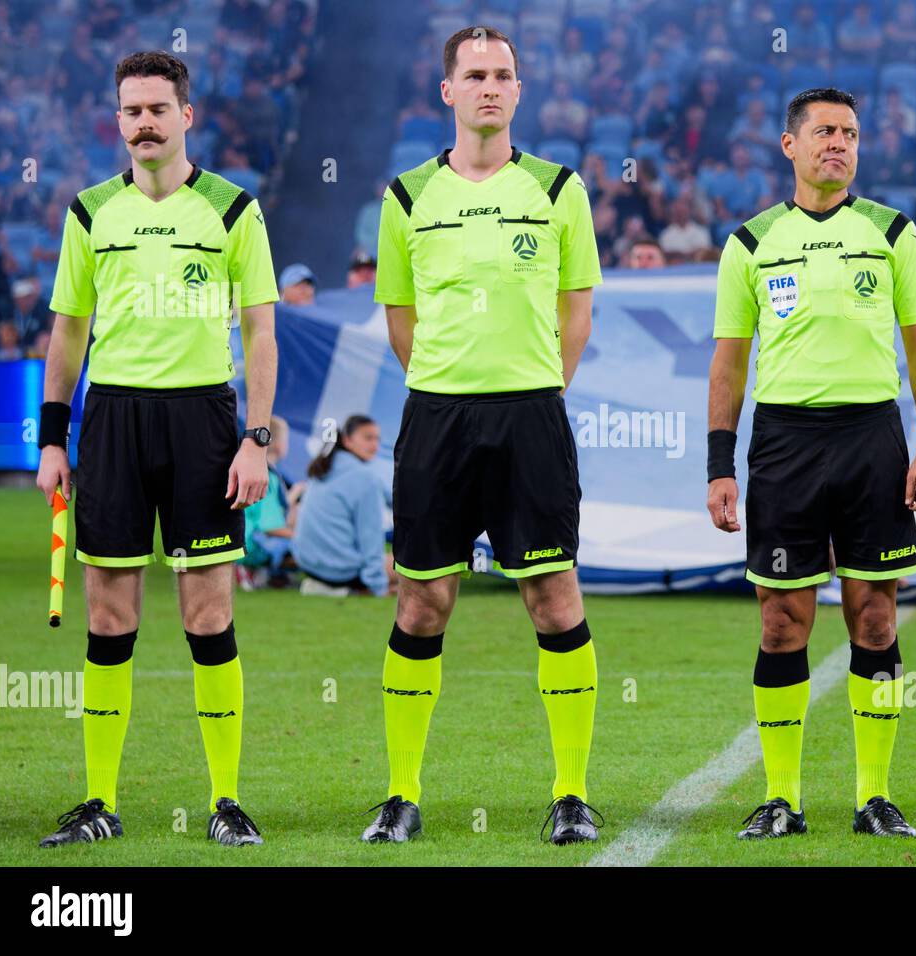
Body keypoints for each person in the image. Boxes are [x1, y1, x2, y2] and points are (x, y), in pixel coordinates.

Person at [35, 51, 279, 848]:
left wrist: (257, 438)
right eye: (131, 111)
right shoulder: (89, 211)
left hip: (204, 423)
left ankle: (227, 801)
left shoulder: (234, 209)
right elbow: (69, 329)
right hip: (112, 423)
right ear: (119, 121)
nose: (144, 122)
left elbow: (260, 330)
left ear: (186, 116)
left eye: (157, 109)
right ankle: (98, 802)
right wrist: (52, 438)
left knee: (207, 612)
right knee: (109, 613)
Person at [368, 25, 604, 845]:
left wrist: (538, 384)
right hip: (435, 417)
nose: (490, 87)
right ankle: (401, 796)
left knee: (553, 596)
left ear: (518, 90)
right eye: (475, 75)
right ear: (448, 92)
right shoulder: (404, 198)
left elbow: (577, 310)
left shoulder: (559, 187)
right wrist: (448, 381)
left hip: (532, 413)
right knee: (423, 599)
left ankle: (570, 794)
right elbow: (401, 320)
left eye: (504, 75)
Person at [708, 88, 916, 841]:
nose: (837, 144)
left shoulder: (893, 233)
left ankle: (874, 796)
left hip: (873, 438)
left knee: (875, 614)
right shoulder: (750, 243)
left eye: (848, 133)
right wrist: (719, 466)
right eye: (822, 132)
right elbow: (728, 364)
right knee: (783, 620)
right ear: (790, 145)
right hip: (784, 444)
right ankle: (783, 798)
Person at [292, 414, 394, 597]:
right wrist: (379, 588)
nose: (374, 445)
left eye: (377, 439)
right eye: (368, 437)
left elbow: (391, 497)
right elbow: (370, 538)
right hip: (341, 570)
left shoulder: (324, 468)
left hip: (309, 566)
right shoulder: (364, 477)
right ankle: (359, 590)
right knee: (415, 565)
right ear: (347, 440)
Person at [236, 414, 294, 589]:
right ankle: (254, 570)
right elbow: (270, 527)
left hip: (233, 540)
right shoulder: (266, 477)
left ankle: (265, 573)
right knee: (306, 547)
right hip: (250, 545)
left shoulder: (246, 470)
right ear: (279, 445)